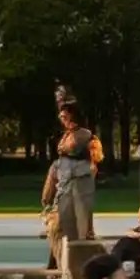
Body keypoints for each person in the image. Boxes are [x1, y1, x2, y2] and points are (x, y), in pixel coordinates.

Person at [54, 102, 98, 244]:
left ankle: (82, 248)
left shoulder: (83, 133)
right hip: (66, 179)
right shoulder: (68, 134)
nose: (61, 116)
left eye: (65, 113)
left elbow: (70, 147)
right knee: (65, 217)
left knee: (81, 217)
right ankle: (65, 249)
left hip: (80, 179)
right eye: (61, 113)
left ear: (73, 115)